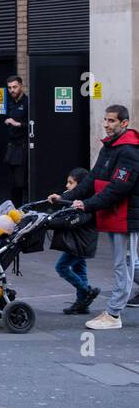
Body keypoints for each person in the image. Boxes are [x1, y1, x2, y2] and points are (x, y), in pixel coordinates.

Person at [52, 104, 139, 329]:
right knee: (129, 263)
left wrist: (86, 205)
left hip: (127, 217)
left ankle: (113, 313)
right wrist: (67, 197)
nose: (106, 125)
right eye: (105, 120)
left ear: (124, 123)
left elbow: (118, 188)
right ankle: (114, 309)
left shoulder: (129, 151)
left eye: (111, 121)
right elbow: (92, 180)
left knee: (124, 264)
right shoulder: (109, 148)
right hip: (114, 215)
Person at [54, 167, 100, 315]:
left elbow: (74, 220)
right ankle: (82, 304)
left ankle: (86, 291)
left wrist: (50, 222)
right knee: (80, 270)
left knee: (61, 267)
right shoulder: (77, 200)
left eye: (70, 183)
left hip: (81, 242)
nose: (67, 186)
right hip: (80, 242)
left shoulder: (85, 203)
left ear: (80, 186)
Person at [4, 76, 29, 206]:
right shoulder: (10, 103)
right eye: (9, 88)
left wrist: (17, 123)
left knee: (21, 182)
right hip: (12, 147)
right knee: (13, 182)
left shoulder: (27, 103)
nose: (12, 90)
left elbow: (32, 124)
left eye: (15, 87)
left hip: (23, 146)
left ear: (21, 86)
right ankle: (14, 210)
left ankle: (22, 208)